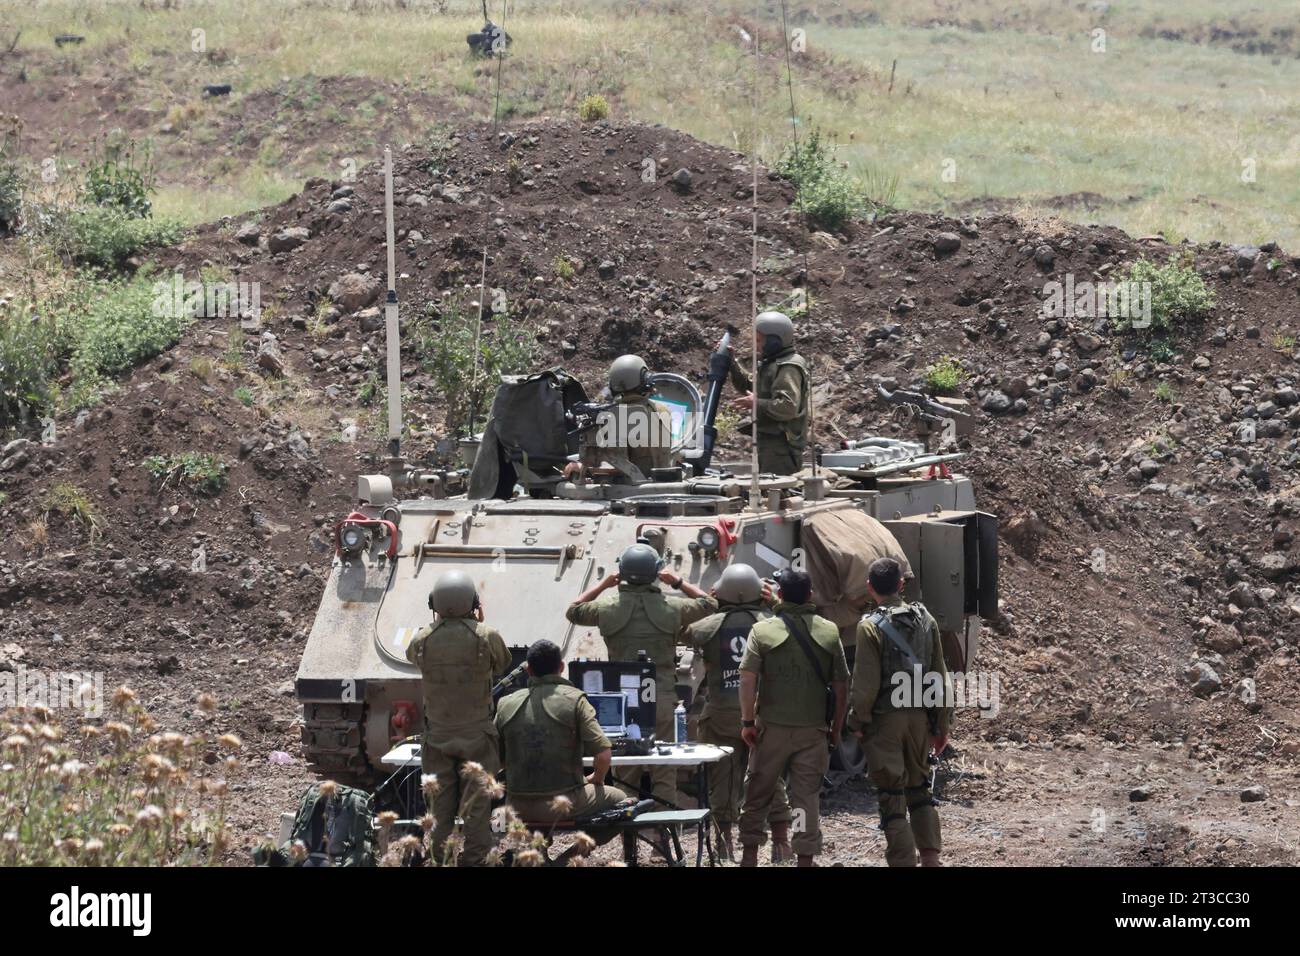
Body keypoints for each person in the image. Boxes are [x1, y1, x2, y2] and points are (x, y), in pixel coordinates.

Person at [565, 542, 717, 803]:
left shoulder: (607, 608)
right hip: (662, 699)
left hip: (623, 703)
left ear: (621, 573)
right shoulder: (674, 608)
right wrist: (678, 581)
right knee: (664, 767)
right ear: (656, 572)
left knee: (625, 769)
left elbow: (574, 611)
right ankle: (664, 825)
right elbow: (709, 603)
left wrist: (603, 585)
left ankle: (627, 827)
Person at [736, 568, 847, 867]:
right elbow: (841, 687)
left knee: (757, 792)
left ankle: (749, 855)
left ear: (780, 595)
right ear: (810, 595)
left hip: (770, 730)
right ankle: (804, 859)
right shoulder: (829, 631)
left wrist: (748, 722)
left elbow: (747, 679)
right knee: (805, 799)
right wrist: (835, 729)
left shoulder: (762, 631)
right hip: (813, 731)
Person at [847, 556, 952, 867]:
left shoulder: (868, 627)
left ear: (869, 587)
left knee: (892, 797)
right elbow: (939, 675)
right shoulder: (926, 619)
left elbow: (865, 684)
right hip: (920, 718)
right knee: (920, 790)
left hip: (885, 723)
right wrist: (941, 724)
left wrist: (857, 721)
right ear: (902, 585)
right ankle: (931, 859)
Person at [684, 562, 792, 862]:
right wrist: (774, 602)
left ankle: (723, 844)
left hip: (720, 713)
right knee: (771, 776)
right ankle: (782, 843)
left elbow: (682, 631)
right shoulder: (774, 622)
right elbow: (798, 623)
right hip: (764, 712)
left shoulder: (708, 626)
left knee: (723, 780)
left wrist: (708, 602)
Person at [404, 570, 511, 866]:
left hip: (437, 737)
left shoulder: (423, 639)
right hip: (478, 736)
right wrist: (479, 624)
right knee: (477, 808)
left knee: (440, 809)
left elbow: (411, 656)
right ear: (473, 601)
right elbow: (503, 662)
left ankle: (442, 860)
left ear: (433, 603)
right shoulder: (486, 636)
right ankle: (474, 861)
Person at [496, 640, 634, 834]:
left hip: (516, 805)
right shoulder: (575, 699)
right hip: (564, 803)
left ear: (529, 670)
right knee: (623, 801)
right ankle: (571, 855)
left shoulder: (505, 704)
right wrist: (596, 778)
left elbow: (496, 760)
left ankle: (538, 853)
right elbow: (603, 756)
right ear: (561, 667)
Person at [565, 354, 675, 483]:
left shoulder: (610, 416)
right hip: (660, 482)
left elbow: (613, 462)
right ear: (644, 378)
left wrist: (581, 467)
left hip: (629, 485)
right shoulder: (662, 410)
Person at [728, 310, 810, 475]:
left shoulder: (788, 366)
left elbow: (787, 407)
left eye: (759, 340)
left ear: (774, 341)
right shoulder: (772, 363)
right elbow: (752, 387)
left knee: (777, 494)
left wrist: (756, 403)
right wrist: (731, 363)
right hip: (770, 444)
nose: (756, 345)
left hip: (782, 448)